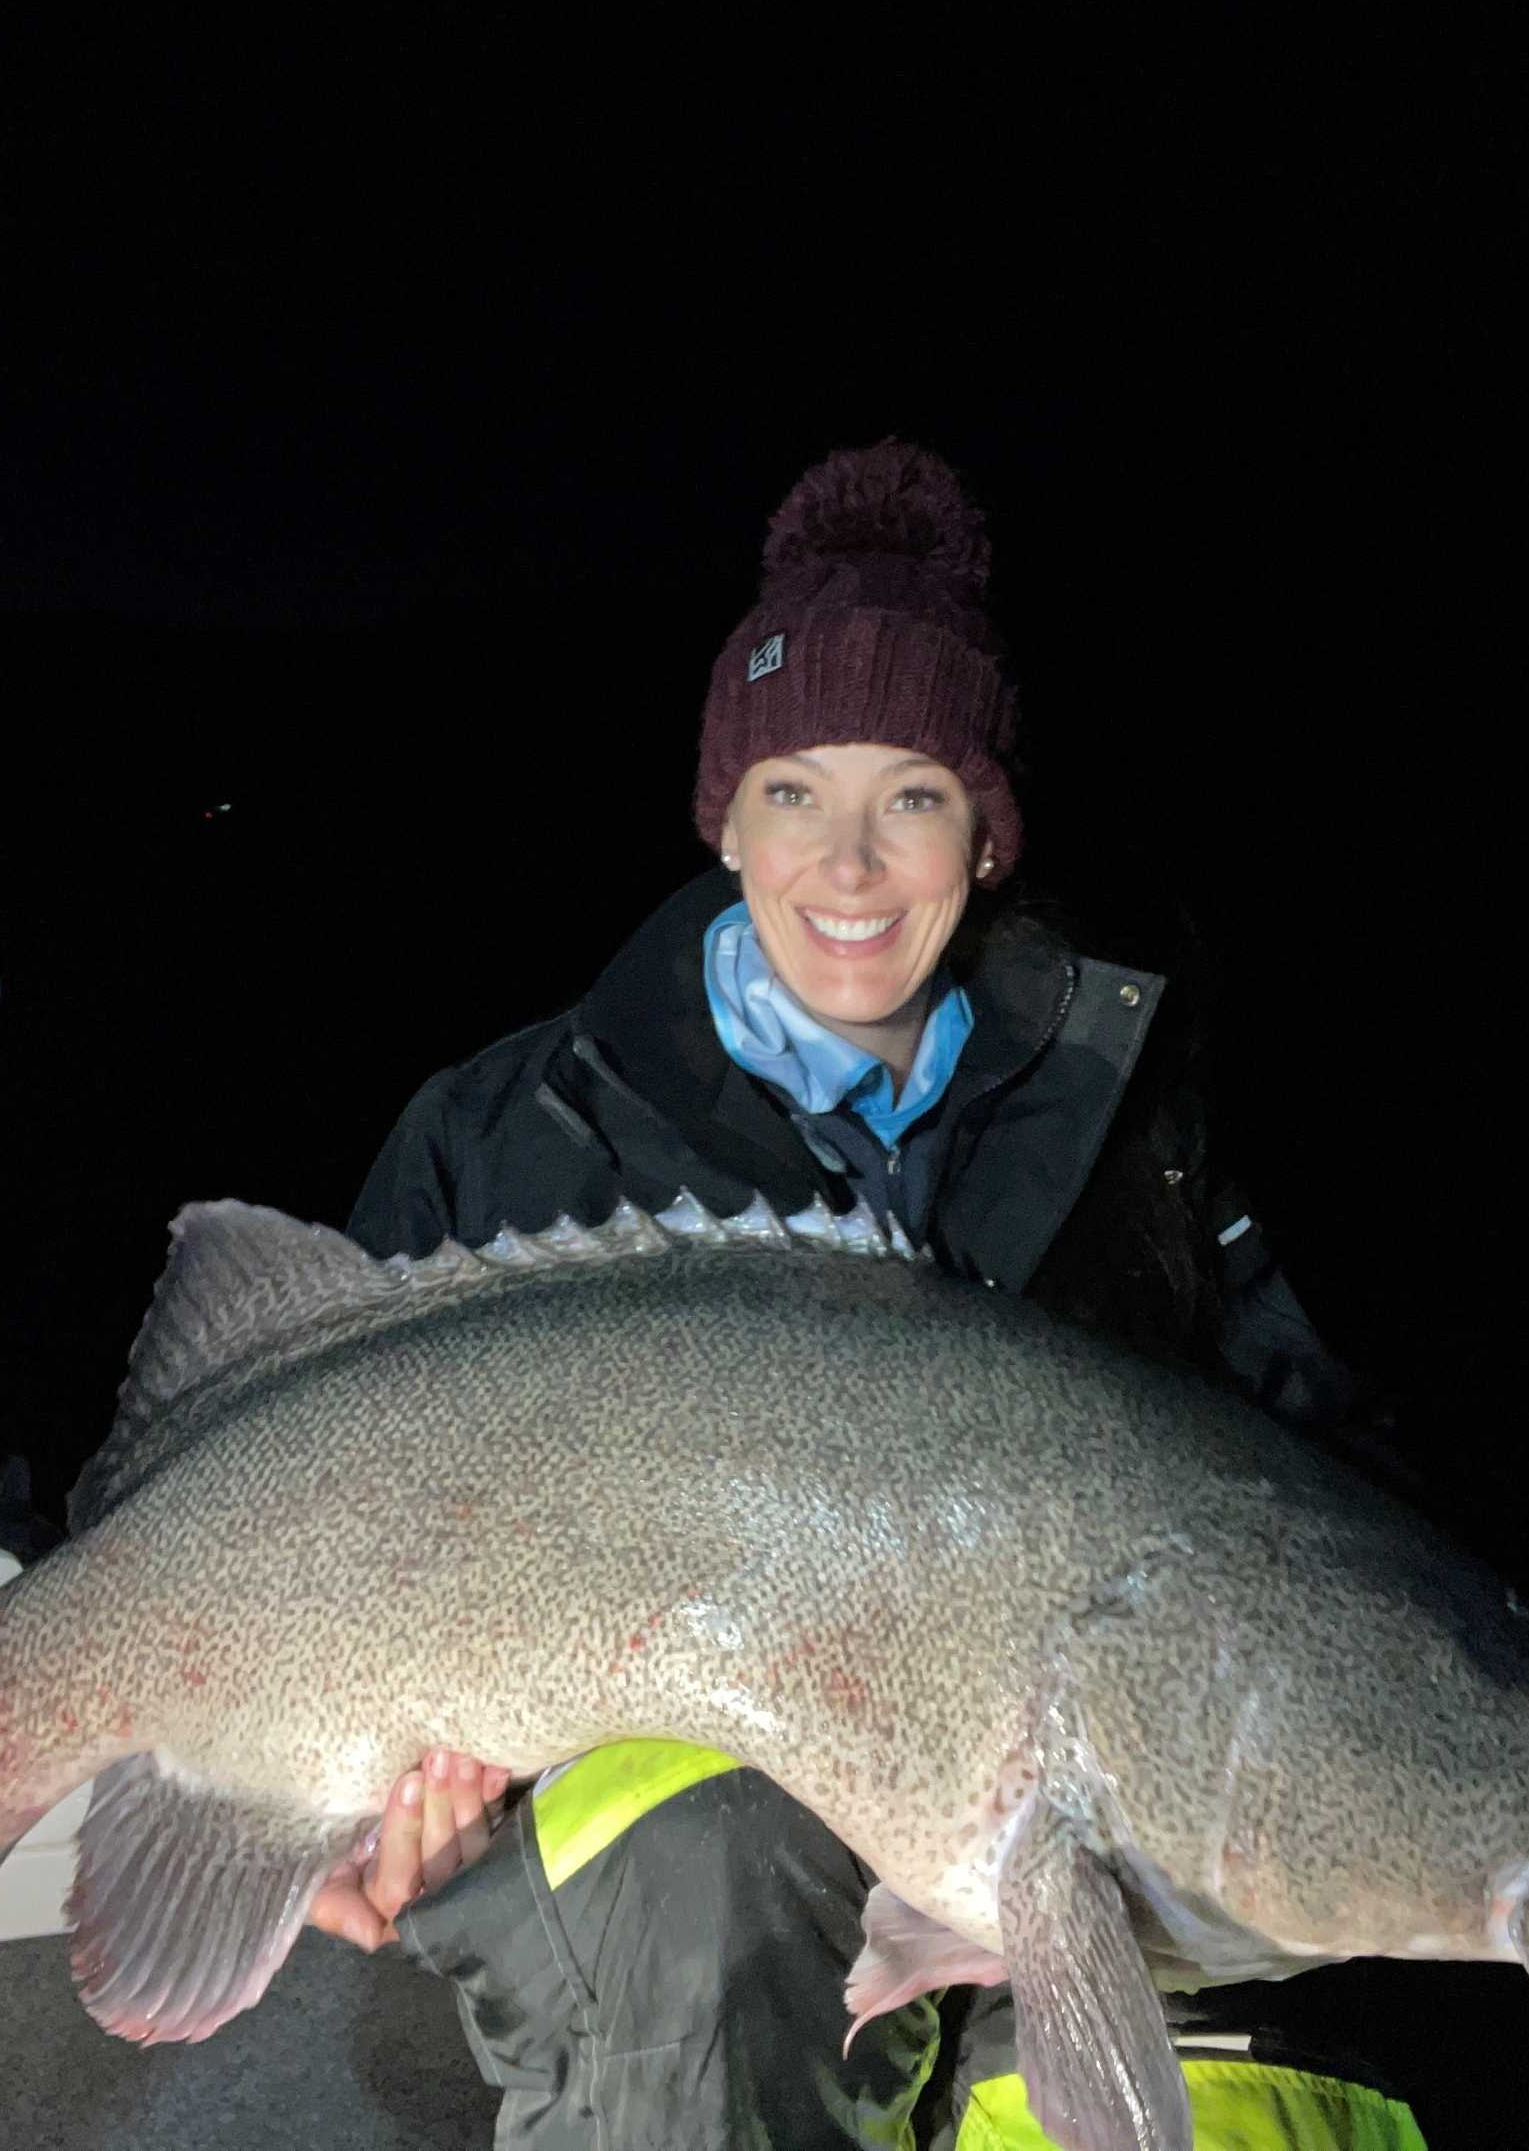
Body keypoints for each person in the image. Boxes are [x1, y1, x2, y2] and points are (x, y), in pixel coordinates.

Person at [317, 438, 1427, 2151]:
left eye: (909, 792)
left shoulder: (1133, 1113)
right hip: (695, 1879)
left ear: (984, 835)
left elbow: (1323, 1483)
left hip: (1058, 1835)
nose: (848, 865)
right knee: (709, 1872)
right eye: (791, 794)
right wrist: (335, 1800)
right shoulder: (498, 1136)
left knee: (1247, 2108)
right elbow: (286, 1512)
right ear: (725, 816)